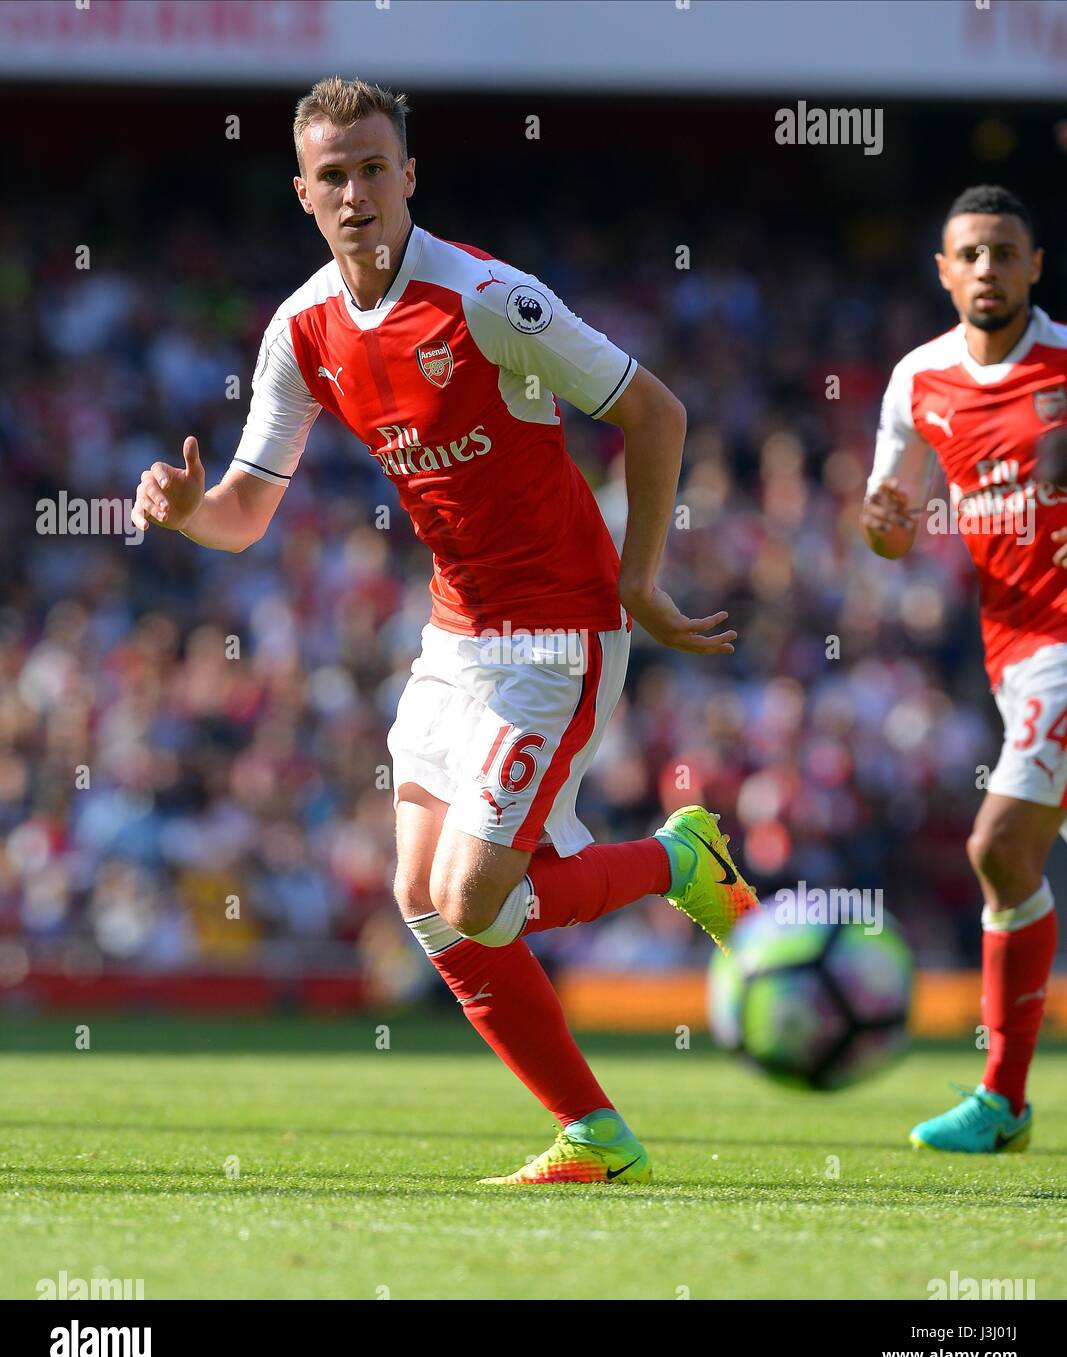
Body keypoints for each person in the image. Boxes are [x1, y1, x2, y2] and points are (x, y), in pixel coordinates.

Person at [132, 76, 757, 1184]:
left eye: (375, 168)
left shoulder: (483, 297)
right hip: (453, 636)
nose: (357, 192)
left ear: (409, 175)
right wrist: (186, 514)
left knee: (477, 898)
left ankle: (676, 859)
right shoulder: (300, 328)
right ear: (303, 194)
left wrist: (641, 577)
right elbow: (243, 510)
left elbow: (653, 412)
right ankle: (594, 1134)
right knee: (424, 905)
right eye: (334, 176)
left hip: (559, 630)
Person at [862, 185, 1067, 1153]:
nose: (986, 269)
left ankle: (1000, 1098)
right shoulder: (915, 381)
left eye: (1003, 252)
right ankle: (1007, 1101)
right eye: (968, 254)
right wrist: (884, 524)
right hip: (1010, 653)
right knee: (1008, 862)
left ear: (1033, 265)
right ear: (943, 271)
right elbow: (889, 519)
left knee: (996, 848)